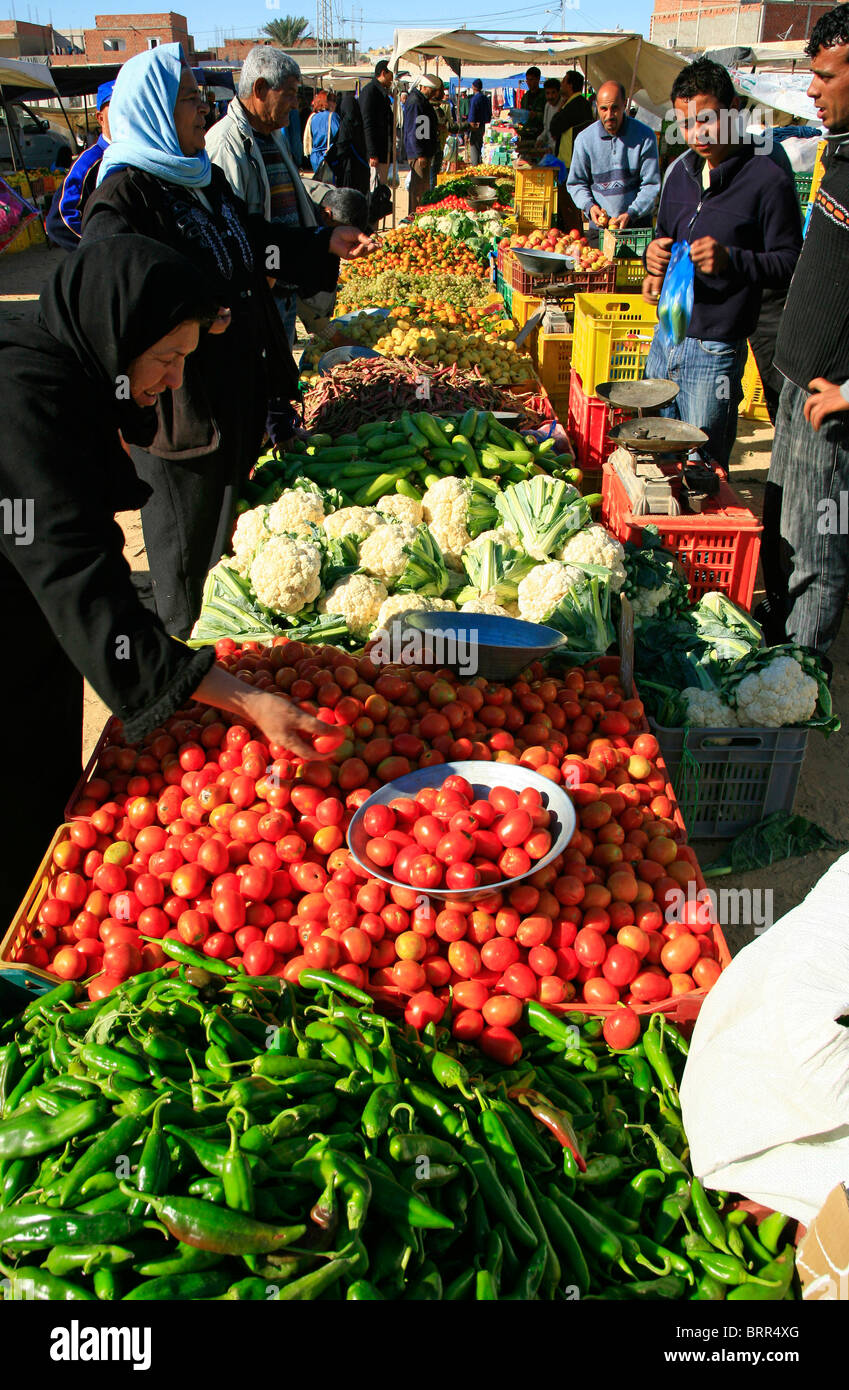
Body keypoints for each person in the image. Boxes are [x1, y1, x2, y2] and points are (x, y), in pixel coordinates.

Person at [0, 236, 335, 929]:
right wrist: (240, 698)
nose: (177, 380)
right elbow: (75, 578)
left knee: (41, 792)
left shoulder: (62, 367)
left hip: (31, 627)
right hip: (18, 631)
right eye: (167, 357)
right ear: (117, 332)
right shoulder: (23, 406)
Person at [81, 44, 373, 640]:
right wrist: (188, 314)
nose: (202, 108)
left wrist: (319, 245)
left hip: (235, 391)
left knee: (229, 548)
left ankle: (225, 659)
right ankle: (186, 663)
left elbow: (255, 242)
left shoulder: (202, 178)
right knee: (188, 553)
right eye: (189, 99)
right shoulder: (124, 195)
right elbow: (108, 296)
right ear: (155, 108)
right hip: (180, 410)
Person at [642, 58, 801, 473]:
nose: (698, 134)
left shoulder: (767, 177)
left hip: (715, 351)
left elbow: (789, 263)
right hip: (666, 339)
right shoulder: (680, 173)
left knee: (702, 467)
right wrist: (652, 265)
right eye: (687, 124)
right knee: (654, 452)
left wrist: (732, 260)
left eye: (707, 119)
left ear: (734, 108)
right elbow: (663, 236)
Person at [759, 5, 849, 659]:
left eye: (823, 75)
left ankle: (799, 677)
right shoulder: (838, 155)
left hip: (830, 402)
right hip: (794, 385)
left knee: (816, 547)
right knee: (782, 531)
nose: (809, 90)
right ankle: (778, 642)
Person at [205, 47, 331, 347]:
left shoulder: (273, 134)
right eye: (289, 93)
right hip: (258, 296)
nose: (295, 102)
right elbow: (230, 232)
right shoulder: (227, 144)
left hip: (283, 291)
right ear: (260, 88)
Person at [567, 80, 660, 235]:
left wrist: (632, 213)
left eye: (614, 108)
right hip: (600, 229)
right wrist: (590, 207)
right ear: (597, 106)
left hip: (637, 227)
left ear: (625, 104)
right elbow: (576, 183)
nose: (609, 115)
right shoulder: (585, 140)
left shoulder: (645, 136)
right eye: (604, 109)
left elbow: (651, 185)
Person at [46, 81, 114, 250]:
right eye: (115, 110)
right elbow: (58, 221)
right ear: (100, 118)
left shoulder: (137, 155)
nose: (123, 116)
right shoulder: (90, 162)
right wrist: (100, 251)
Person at [403, 75, 440, 213]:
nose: (433, 94)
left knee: (421, 188)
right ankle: (414, 217)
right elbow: (415, 131)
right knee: (418, 190)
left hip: (422, 151)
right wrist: (420, 154)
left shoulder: (421, 101)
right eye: (431, 90)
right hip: (419, 154)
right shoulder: (416, 102)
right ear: (423, 87)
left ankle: (416, 215)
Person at [326, 91, 370, 197]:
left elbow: (341, 146)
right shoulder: (360, 126)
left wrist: (329, 157)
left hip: (347, 171)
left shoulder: (345, 126)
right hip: (361, 171)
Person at [360, 59, 394, 185]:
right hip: (376, 153)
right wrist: (372, 153)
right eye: (391, 75)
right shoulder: (370, 92)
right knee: (375, 189)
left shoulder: (380, 92)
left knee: (381, 187)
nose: (392, 79)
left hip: (382, 150)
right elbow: (368, 124)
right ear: (384, 73)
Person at [303, 91, 340, 174]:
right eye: (332, 100)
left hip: (314, 158)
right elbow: (340, 136)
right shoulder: (333, 116)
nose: (335, 103)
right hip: (328, 157)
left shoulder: (313, 117)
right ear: (325, 102)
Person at [467, 78, 491, 166]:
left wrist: (468, 130)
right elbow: (489, 113)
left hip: (475, 126)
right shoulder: (485, 98)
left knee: (474, 146)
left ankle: (475, 166)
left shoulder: (474, 99)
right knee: (481, 145)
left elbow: (472, 115)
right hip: (484, 125)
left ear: (474, 87)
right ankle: (480, 163)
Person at [536, 77, 563, 153]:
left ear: (558, 92)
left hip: (561, 152)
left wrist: (552, 148)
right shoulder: (547, 106)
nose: (550, 97)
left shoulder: (563, 106)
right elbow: (546, 129)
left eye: (553, 93)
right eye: (548, 93)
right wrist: (540, 139)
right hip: (550, 150)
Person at [520, 66, 547, 141]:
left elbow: (550, 116)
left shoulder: (545, 96)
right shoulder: (525, 97)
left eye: (531, 80)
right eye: (527, 80)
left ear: (538, 79)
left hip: (541, 135)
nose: (529, 83)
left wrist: (536, 115)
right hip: (526, 134)